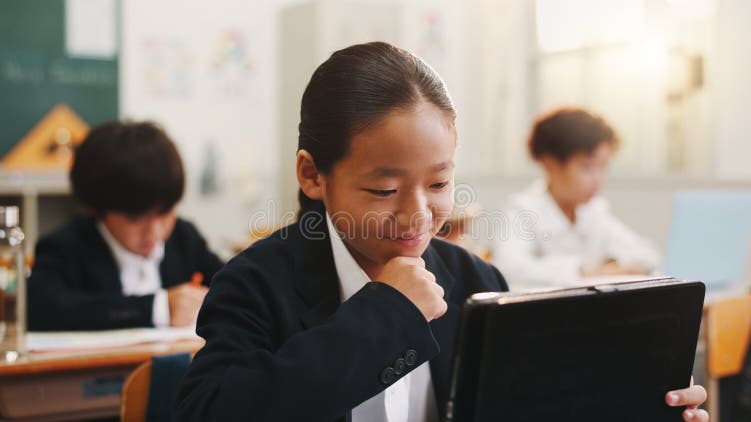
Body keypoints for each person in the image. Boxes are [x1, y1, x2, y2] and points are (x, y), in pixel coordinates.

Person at [175, 43, 707, 422]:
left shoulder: (477, 280)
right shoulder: (255, 282)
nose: (417, 215)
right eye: (384, 192)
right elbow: (211, 411)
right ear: (313, 175)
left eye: (439, 183)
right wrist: (388, 314)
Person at [28, 121, 222, 331]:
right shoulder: (65, 246)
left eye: (165, 213)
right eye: (135, 218)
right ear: (98, 210)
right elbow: (41, 310)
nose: (154, 233)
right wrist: (158, 308)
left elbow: (235, 284)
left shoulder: (184, 238)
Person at [493, 108, 661, 289]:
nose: (598, 179)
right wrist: (585, 272)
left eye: (603, 166)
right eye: (587, 167)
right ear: (551, 165)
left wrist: (614, 265)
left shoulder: (594, 210)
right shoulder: (522, 210)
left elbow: (648, 255)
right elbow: (508, 270)